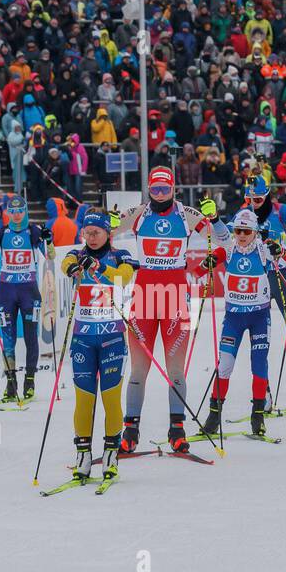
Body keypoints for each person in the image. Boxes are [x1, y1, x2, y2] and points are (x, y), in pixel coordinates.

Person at [111, 166, 228, 453]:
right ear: (149, 189)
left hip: (176, 299)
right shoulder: (138, 214)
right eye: (155, 189)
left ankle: (177, 428)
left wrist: (215, 217)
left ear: (174, 188)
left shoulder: (187, 215)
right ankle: (130, 430)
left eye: (165, 189)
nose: (160, 194)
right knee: (138, 370)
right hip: (145, 299)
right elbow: (103, 233)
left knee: (176, 371)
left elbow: (224, 240)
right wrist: (108, 221)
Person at [198, 208, 286, 438]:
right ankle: (213, 418)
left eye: (246, 231)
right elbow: (199, 268)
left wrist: (281, 251)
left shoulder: (264, 250)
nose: (241, 235)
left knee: (259, 365)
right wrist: (208, 263)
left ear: (255, 232)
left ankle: (258, 417)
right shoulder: (229, 249)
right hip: (234, 317)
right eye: (238, 230)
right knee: (224, 365)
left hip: (259, 317)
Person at [60, 210, 138, 484]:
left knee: (110, 398)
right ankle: (82, 455)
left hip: (112, 339)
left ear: (109, 233)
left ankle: (110, 454)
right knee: (84, 398)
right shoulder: (76, 253)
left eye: (97, 232)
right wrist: (73, 266)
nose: (91, 237)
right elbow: (66, 263)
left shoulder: (120, 255)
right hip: (83, 339)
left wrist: (100, 267)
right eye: (87, 232)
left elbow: (123, 278)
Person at [244, 177, 286, 407]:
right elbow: (231, 240)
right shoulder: (244, 214)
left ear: (267, 195)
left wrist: (282, 246)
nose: (254, 203)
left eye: (258, 198)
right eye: (250, 199)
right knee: (261, 341)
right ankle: (264, 393)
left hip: (281, 276)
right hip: (258, 279)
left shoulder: (282, 210)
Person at [0, 197, 49, 401]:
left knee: (31, 338)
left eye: (21, 210)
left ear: (25, 211)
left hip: (29, 293)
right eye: (13, 211)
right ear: (8, 213)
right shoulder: (2, 232)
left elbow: (50, 255)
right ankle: (11, 385)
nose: (17, 214)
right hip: (6, 292)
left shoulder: (34, 231)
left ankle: (29, 382)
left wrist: (49, 239)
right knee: (8, 339)